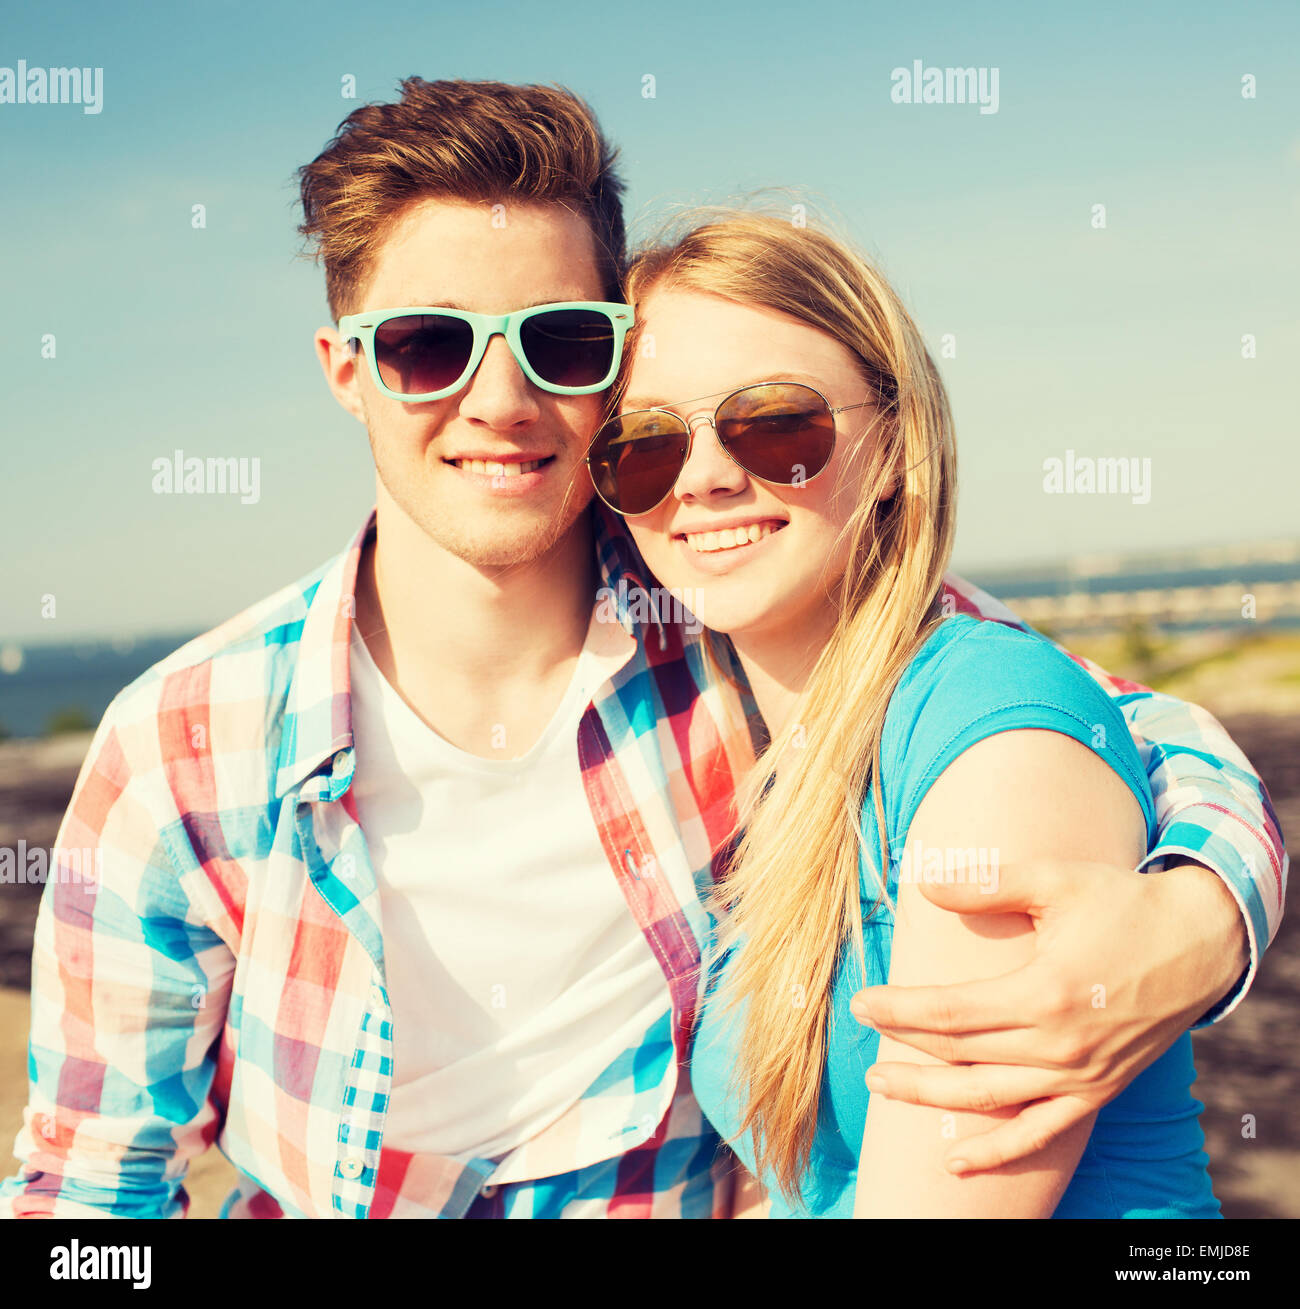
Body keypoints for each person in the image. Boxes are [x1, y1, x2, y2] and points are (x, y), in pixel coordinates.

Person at [0, 79, 1285, 1220]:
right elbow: (91, 1180)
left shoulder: (726, 622)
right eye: (426, 344)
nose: (497, 402)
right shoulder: (185, 737)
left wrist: (1202, 910)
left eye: (559, 340)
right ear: (348, 370)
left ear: (612, 360)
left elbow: (1101, 724)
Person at [590, 210, 1281, 1217]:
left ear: (898, 447)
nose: (702, 477)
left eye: (776, 422)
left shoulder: (986, 732)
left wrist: (1214, 903)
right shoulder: (783, 752)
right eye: (645, 444)